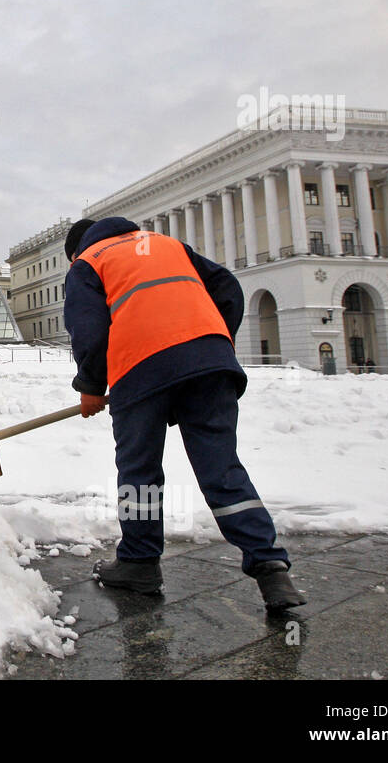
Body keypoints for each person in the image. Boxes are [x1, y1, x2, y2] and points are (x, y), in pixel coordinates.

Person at [63, 217, 305, 611]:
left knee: (139, 470)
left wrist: (91, 387)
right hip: (211, 363)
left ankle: (139, 564)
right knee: (222, 470)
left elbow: (88, 330)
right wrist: (209, 344)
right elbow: (227, 287)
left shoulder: (87, 262)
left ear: (75, 250)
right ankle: (270, 565)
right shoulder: (166, 244)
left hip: (140, 367)